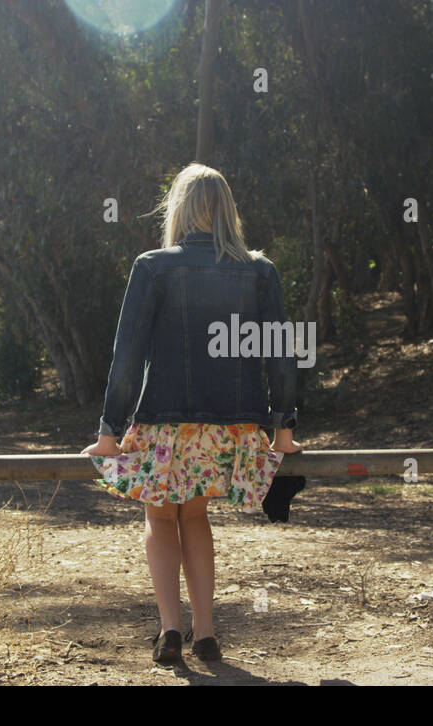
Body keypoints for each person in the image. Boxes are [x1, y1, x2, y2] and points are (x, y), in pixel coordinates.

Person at [82, 163, 302, 665]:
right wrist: (283, 428)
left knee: (160, 516)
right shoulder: (259, 270)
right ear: (228, 210)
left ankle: (170, 630)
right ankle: (206, 632)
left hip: (164, 419)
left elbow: (128, 354)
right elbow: (280, 354)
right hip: (231, 427)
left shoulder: (153, 266)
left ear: (178, 209)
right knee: (196, 514)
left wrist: (110, 431)